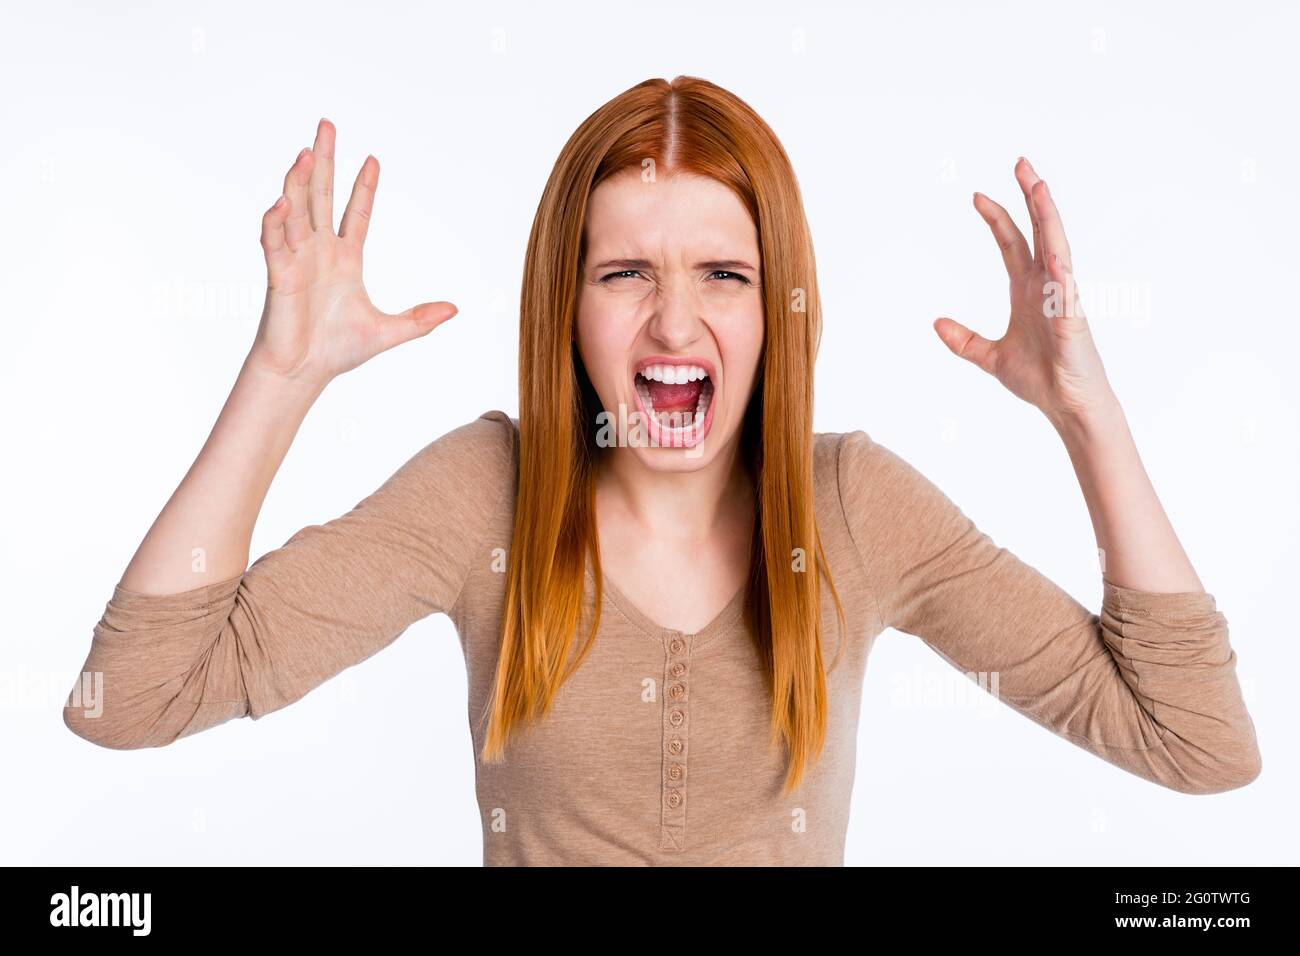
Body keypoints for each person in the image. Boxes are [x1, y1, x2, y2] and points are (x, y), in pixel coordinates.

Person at [62, 76, 1261, 866]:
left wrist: (1087, 414)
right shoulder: (491, 491)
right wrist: (278, 379)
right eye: (626, 273)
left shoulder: (854, 507)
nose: (674, 327)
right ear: (566, 309)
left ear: (778, 307)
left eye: (723, 276)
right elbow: (138, 695)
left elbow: (1196, 741)